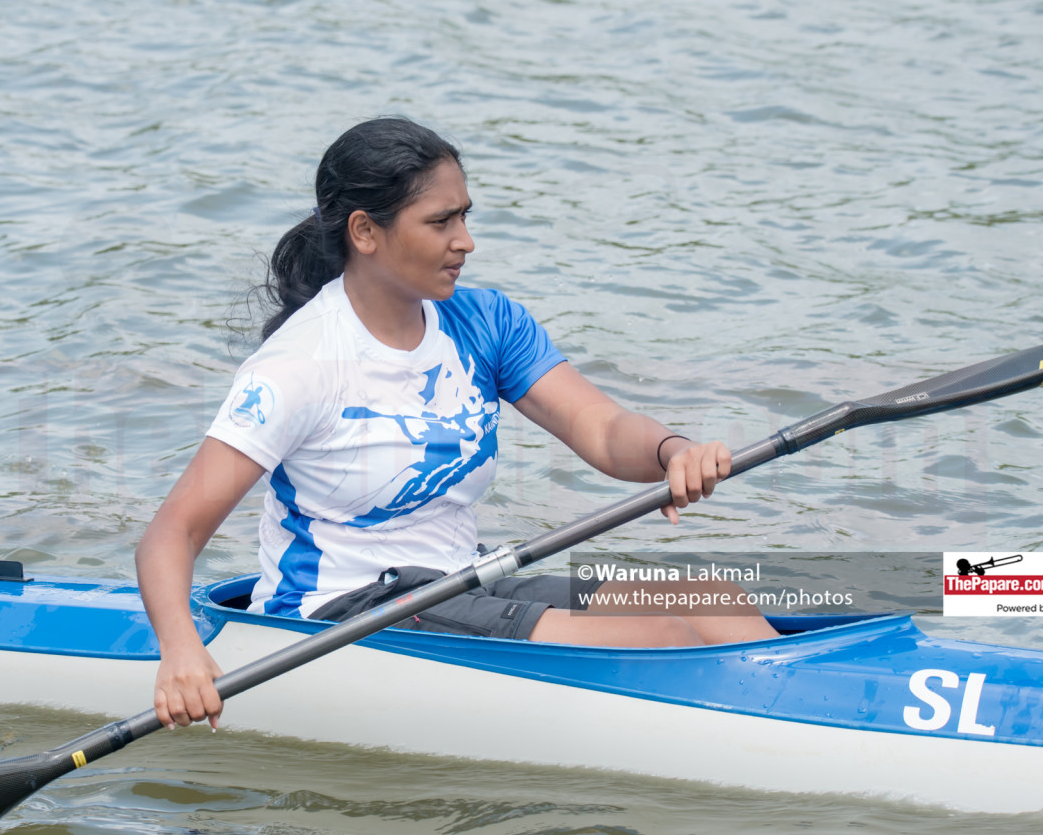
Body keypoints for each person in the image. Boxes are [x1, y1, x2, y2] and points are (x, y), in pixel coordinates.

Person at [135, 117, 777, 731]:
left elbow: (603, 429)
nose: (465, 240)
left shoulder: (484, 321)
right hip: (341, 612)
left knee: (708, 598)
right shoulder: (298, 365)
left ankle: (812, 720)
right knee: (659, 640)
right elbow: (172, 533)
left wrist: (672, 450)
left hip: (461, 578)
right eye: (440, 221)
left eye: (465, 215)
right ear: (365, 231)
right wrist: (182, 653)